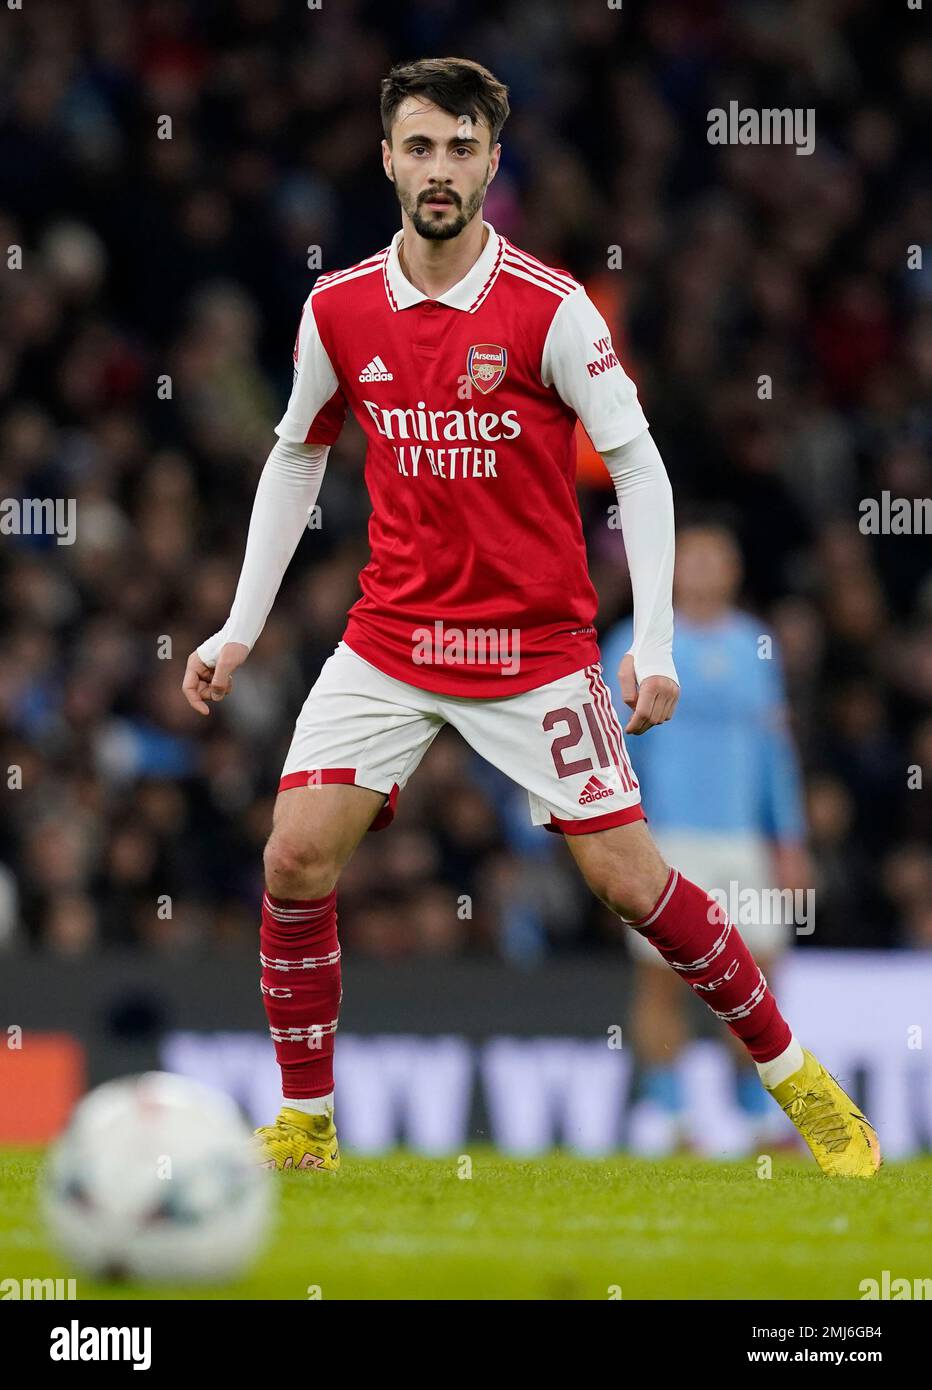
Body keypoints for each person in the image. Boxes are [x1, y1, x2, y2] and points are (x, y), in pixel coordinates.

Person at [181, 57, 879, 1178]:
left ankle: (804, 1089)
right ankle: (305, 1127)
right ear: (387, 159)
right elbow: (294, 454)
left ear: (491, 161)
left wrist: (648, 642)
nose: (440, 168)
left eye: (461, 147)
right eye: (420, 146)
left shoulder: (550, 310)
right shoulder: (339, 306)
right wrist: (236, 628)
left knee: (628, 882)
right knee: (296, 856)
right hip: (393, 639)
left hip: (533, 651)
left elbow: (639, 469)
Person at [603, 524, 810, 1153]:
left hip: (743, 842)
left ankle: (755, 1116)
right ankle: (668, 1116)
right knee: (662, 979)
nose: (701, 571)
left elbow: (774, 748)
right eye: (691, 559)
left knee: (757, 979)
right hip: (664, 840)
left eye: (714, 559)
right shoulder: (638, 643)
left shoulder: (755, 645)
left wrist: (790, 837)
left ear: (734, 570)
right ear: (671, 569)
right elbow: (610, 749)